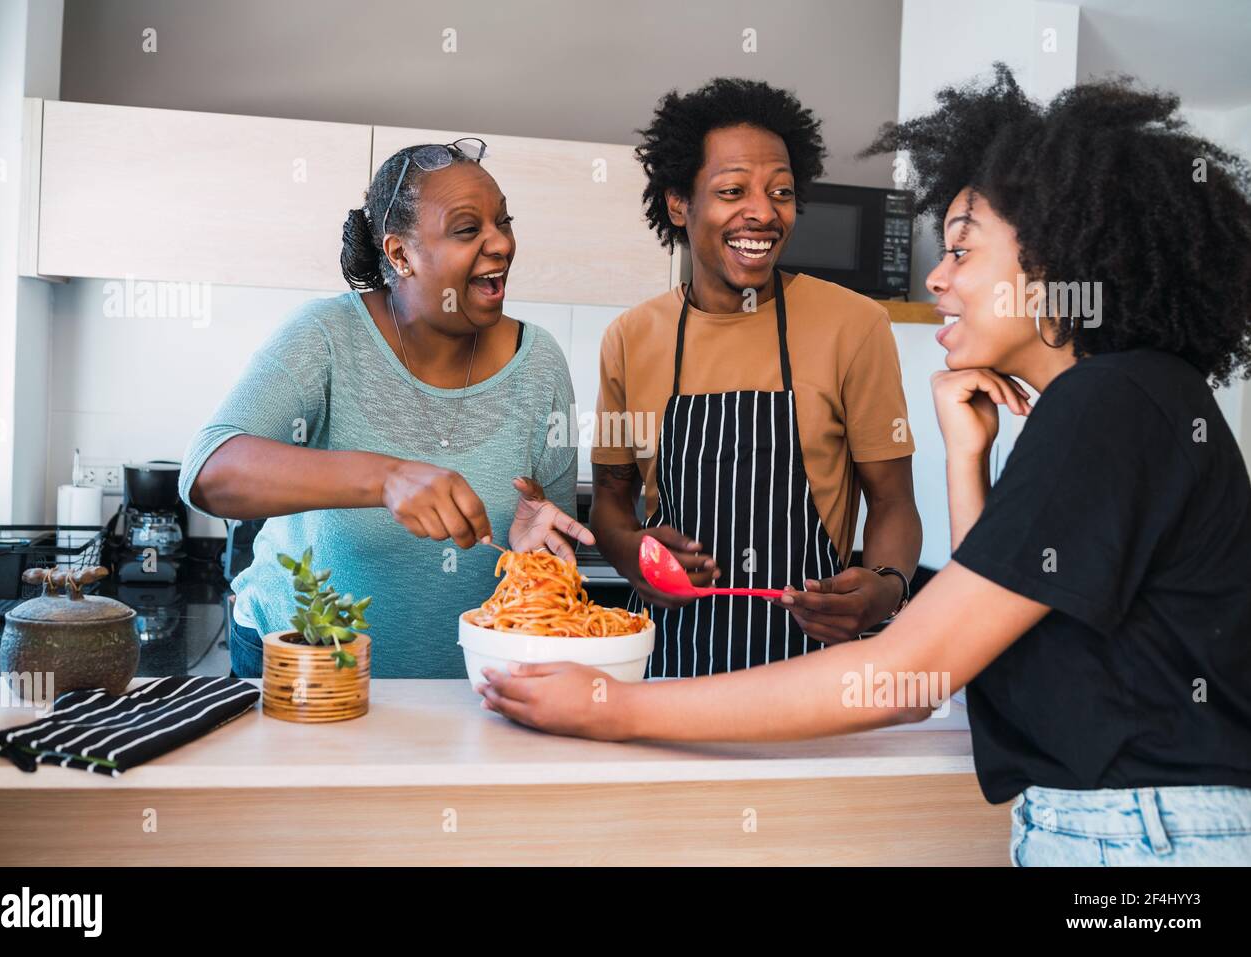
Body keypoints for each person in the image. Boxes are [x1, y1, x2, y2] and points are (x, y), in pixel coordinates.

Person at [478, 66, 1251, 866]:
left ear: (1055, 256)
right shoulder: (1115, 403)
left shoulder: (1109, 404)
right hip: (1123, 826)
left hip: (1140, 835)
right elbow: (993, 650)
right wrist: (965, 458)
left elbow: (909, 671)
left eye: (960, 250)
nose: (936, 279)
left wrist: (612, 707)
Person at [181, 139, 591, 679]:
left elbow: (552, 560)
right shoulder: (326, 337)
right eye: (469, 230)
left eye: (504, 222)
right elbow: (208, 472)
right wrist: (385, 478)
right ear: (399, 254)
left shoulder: (539, 364)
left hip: (469, 681)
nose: (501, 244)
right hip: (309, 666)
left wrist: (532, 550)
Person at [588, 78, 922, 676]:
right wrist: (633, 554)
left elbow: (894, 504)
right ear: (679, 203)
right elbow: (611, 501)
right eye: (732, 190)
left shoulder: (855, 326)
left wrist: (886, 586)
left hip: (812, 671)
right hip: (672, 667)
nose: (764, 213)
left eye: (781, 192)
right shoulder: (631, 339)